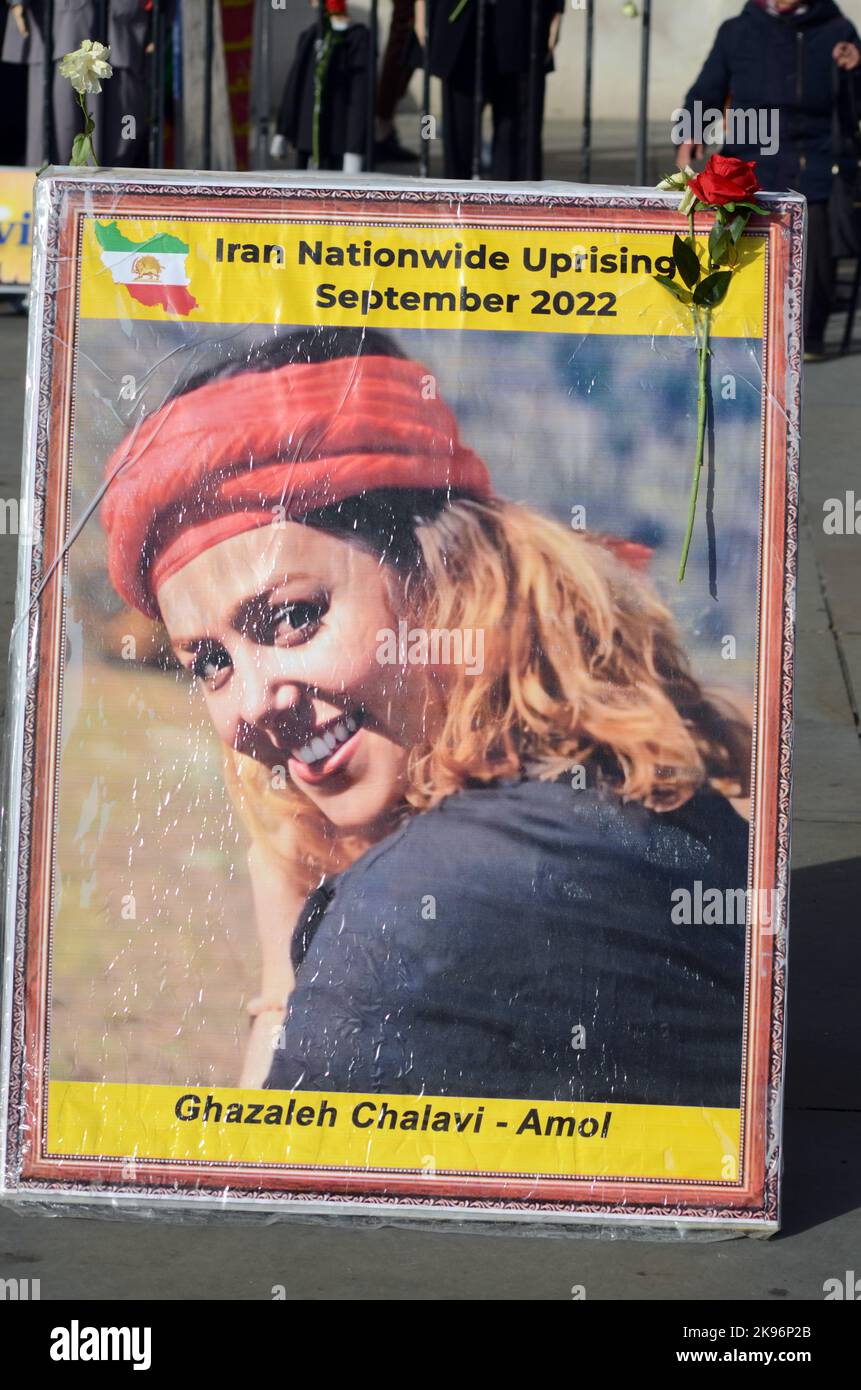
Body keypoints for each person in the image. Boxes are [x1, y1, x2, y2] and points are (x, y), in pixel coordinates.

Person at [100, 328, 751, 1108]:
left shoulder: (420, 906)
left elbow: (264, 1198)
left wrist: (282, 976)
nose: (251, 705)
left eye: (293, 617)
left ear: (445, 576)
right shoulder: (641, 800)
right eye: (210, 661)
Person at [677, 0, 861, 361]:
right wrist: (689, 134)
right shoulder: (737, 31)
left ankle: (806, 341)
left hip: (817, 163)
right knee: (742, 261)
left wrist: (856, 69)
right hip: (750, 166)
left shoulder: (837, 30)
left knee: (816, 270)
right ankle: (742, 335)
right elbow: (706, 90)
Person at [418, 0, 565, 180]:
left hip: (522, 17)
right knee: (459, 137)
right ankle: (460, 203)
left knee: (518, 140)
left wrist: (558, 10)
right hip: (459, 22)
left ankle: (516, 204)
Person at [2, 0, 151, 167]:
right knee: (58, 134)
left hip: (122, 29)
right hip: (64, 26)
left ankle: (105, 186)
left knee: (121, 133)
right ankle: (58, 188)